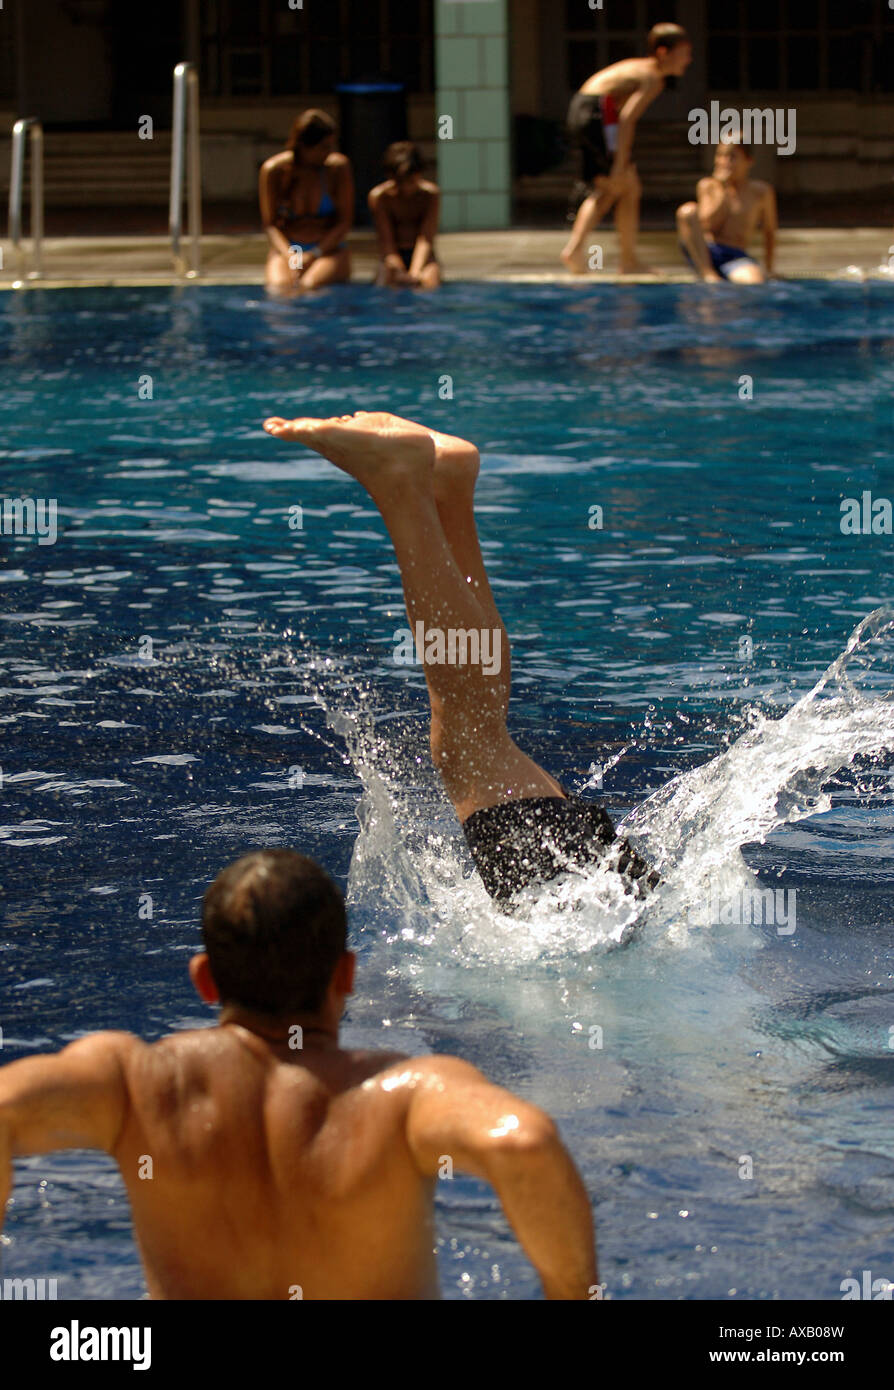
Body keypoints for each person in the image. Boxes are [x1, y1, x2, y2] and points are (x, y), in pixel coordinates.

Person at [0, 850, 598, 1300]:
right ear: (346, 975)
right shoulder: (406, 1096)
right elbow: (526, 1142)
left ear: (204, 979)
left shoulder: (136, 1084)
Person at [263, 410, 658, 903]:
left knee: (477, 739)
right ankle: (407, 489)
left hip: (589, 885)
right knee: (474, 744)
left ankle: (442, 492)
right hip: (580, 891)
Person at [561, 22, 693, 276]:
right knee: (621, 183)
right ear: (664, 53)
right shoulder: (653, 77)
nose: (689, 60)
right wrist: (621, 162)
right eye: (685, 52)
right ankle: (603, 255)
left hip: (583, 110)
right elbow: (627, 119)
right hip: (595, 113)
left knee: (620, 187)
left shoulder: (642, 69)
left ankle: (616, 257)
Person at [259, 109, 354, 293]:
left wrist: (314, 254)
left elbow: (344, 223)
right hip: (290, 248)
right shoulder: (274, 170)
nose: (329, 152)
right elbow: (270, 225)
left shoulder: (337, 168)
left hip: (328, 249)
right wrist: (292, 257)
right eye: (324, 147)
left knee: (310, 286)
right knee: (279, 289)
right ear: (304, 146)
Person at [676, 139, 778, 284]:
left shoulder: (761, 192)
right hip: (705, 252)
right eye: (720, 156)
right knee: (687, 211)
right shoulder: (708, 186)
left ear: (748, 161)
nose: (724, 162)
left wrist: (769, 268)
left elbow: (769, 232)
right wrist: (722, 189)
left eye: (732, 157)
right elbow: (707, 224)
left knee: (754, 281)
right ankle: (707, 273)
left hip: (734, 256)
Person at [368, 142, 441, 290]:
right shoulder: (380, 197)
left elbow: (426, 237)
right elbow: (386, 242)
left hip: (424, 257)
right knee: (384, 287)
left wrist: (415, 272)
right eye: (401, 183)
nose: (407, 188)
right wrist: (400, 271)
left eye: (411, 181)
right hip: (393, 256)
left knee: (428, 285)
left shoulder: (430, 195)